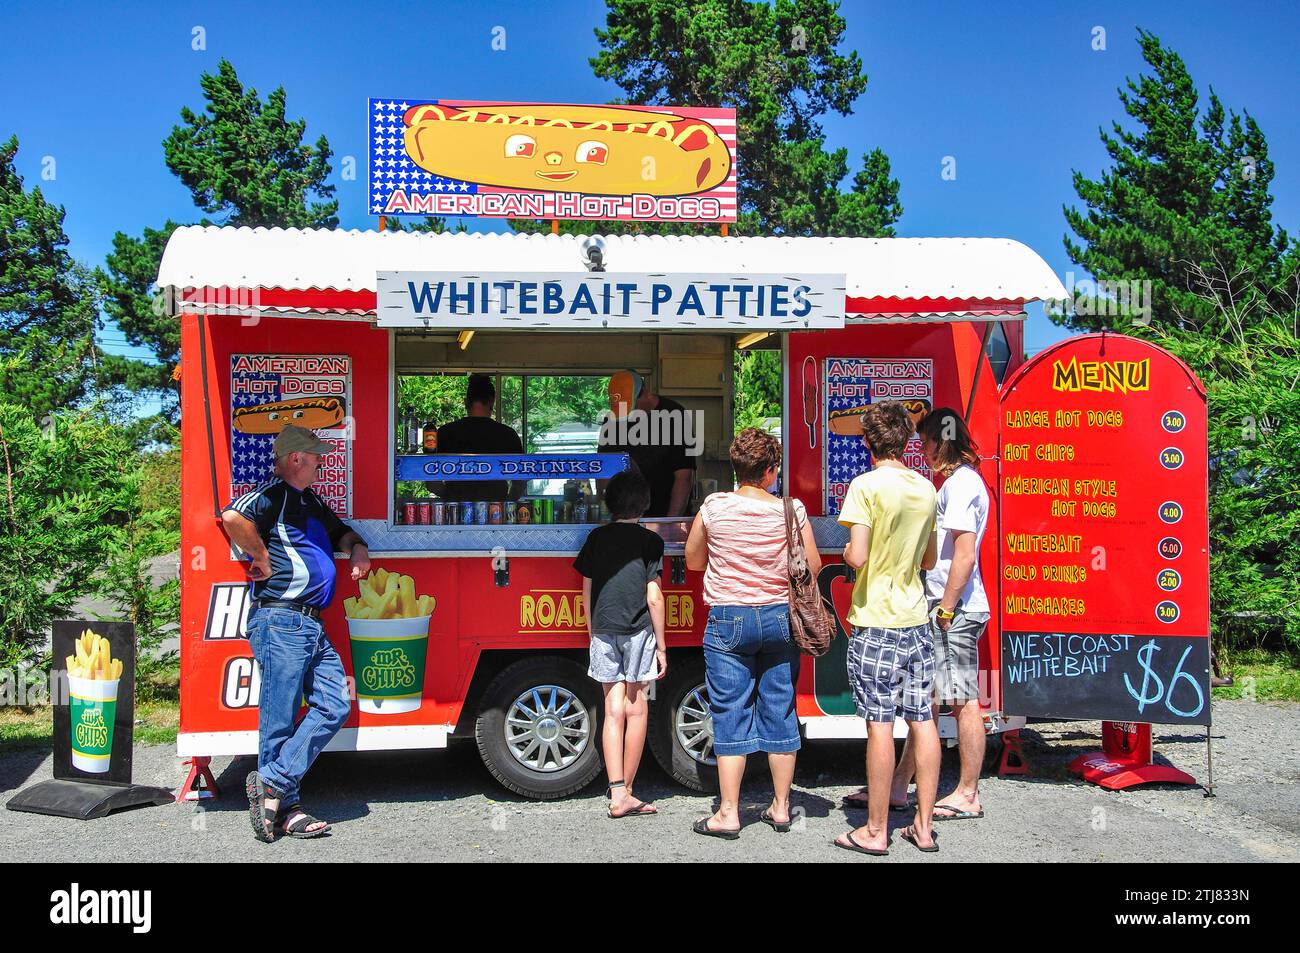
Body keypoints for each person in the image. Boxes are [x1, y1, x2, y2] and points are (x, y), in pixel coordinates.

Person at [221, 424, 370, 842]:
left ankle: (273, 782)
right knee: (279, 721)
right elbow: (232, 516)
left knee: (335, 703)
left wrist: (357, 548)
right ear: (295, 459)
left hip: (310, 624)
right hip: (281, 620)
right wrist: (262, 556)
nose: (323, 462)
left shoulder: (310, 499)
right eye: (317, 456)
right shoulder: (276, 494)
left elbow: (343, 531)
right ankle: (285, 812)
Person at [684, 427, 821, 839]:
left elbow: (693, 561)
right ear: (771, 471)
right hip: (780, 617)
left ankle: (728, 812)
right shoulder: (790, 510)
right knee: (779, 708)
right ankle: (780, 807)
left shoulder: (714, 507)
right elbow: (812, 564)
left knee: (730, 711)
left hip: (729, 618)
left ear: (737, 468)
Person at [833, 402, 938, 856]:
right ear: (908, 439)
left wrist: (848, 554)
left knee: (879, 726)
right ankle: (924, 827)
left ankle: (875, 831)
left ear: (867, 442)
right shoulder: (926, 487)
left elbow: (856, 555)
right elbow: (930, 560)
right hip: (917, 618)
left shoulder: (865, 486)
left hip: (876, 620)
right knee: (923, 721)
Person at [887, 408, 991, 821]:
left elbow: (963, 554)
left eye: (926, 443)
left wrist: (946, 607)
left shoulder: (961, 485)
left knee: (963, 702)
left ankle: (967, 793)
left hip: (957, 610)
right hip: (950, 606)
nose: (923, 451)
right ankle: (898, 785)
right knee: (925, 703)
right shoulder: (955, 483)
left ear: (941, 441)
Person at [573, 470, 667, 819]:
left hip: (603, 629)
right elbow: (654, 597)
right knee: (637, 707)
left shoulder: (596, 537)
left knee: (612, 710)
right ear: (644, 505)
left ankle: (616, 792)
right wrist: (662, 646)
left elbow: (586, 588)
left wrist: (590, 629)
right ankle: (628, 789)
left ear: (609, 503)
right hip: (639, 632)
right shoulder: (650, 542)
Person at [598, 369, 696, 517]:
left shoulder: (675, 416)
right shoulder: (613, 420)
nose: (627, 415)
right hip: (625, 517)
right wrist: (608, 515)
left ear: (645, 393)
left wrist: (670, 524)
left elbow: (684, 476)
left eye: (631, 409)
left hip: (665, 512)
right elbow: (603, 469)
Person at [434, 373, 524, 502]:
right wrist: (506, 503)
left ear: (466, 402)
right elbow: (519, 483)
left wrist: (451, 496)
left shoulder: (445, 433)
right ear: (492, 401)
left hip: (455, 515)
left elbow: (432, 483)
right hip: (496, 513)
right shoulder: (508, 434)